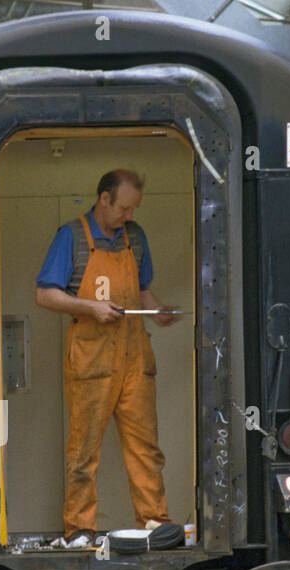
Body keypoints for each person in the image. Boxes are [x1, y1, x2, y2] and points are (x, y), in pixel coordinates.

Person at [34, 169, 181, 547]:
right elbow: (45, 294)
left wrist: (158, 311)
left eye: (134, 209)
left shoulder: (136, 237)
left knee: (145, 448)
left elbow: (142, 290)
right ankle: (80, 529)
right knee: (83, 450)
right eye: (125, 208)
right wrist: (89, 308)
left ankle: (154, 522)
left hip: (135, 360)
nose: (129, 216)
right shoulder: (71, 237)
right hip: (91, 362)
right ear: (104, 199)